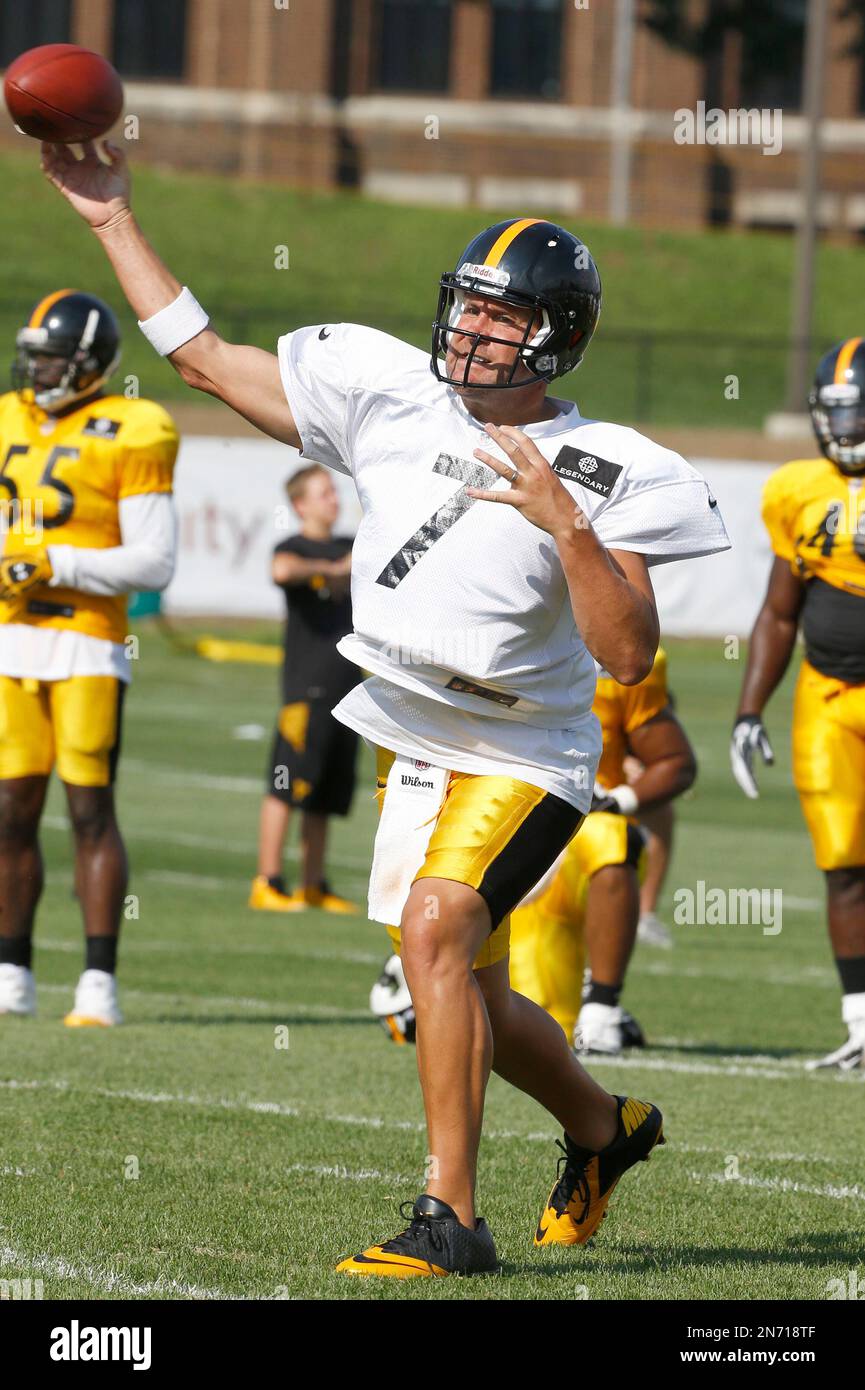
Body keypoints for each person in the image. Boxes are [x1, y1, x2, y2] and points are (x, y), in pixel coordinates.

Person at [41, 137, 729, 1276]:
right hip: (408, 728)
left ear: (555, 333)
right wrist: (113, 220)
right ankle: (606, 1128)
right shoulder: (390, 395)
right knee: (447, 986)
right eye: (466, 305)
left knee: (435, 934)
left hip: (522, 741)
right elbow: (208, 358)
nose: (470, 330)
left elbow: (626, 652)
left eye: (501, 317)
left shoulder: (611, 462)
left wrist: (565, 522)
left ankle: (449, 1216)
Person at [0, 289, 178, 1024]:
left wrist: (55, 562)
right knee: (10, 809)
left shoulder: (137, 425)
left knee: (87, 809)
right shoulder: (7, 415)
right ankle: (12, 969)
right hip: (10, 636)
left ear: (92, 364)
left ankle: (97, 980)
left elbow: (154, 563)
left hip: (87, 640)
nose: (36, 368)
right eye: (33, 354)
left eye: (51, 356)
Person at [732, 338, 865, 1072]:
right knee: (842, 862)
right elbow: (779, 611)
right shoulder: (794, 489)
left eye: (856, 413)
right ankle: (860, 1025)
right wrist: (749, 709)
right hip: (826, 694)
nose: (842, 429)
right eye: (833, 414)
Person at [509, 649, 697, 1054]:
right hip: (507, 839)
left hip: (582, 837)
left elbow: (675, 761)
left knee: (612, 835)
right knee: (540, 1032)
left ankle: (603, 1007)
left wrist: (618, 799)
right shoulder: (487, 640)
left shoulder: (622, 658)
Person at [249, 463, 360, 913]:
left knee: (327, 790)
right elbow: (282, 569)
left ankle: (313, 883)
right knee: (286, 784)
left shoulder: (352, 545)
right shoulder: (293, 545)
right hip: (305, 690)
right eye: (322, 493)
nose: (333, 499)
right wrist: (334, 570)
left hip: (348, 690)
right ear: (299, 504)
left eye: (333, 491)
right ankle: (268, 880)